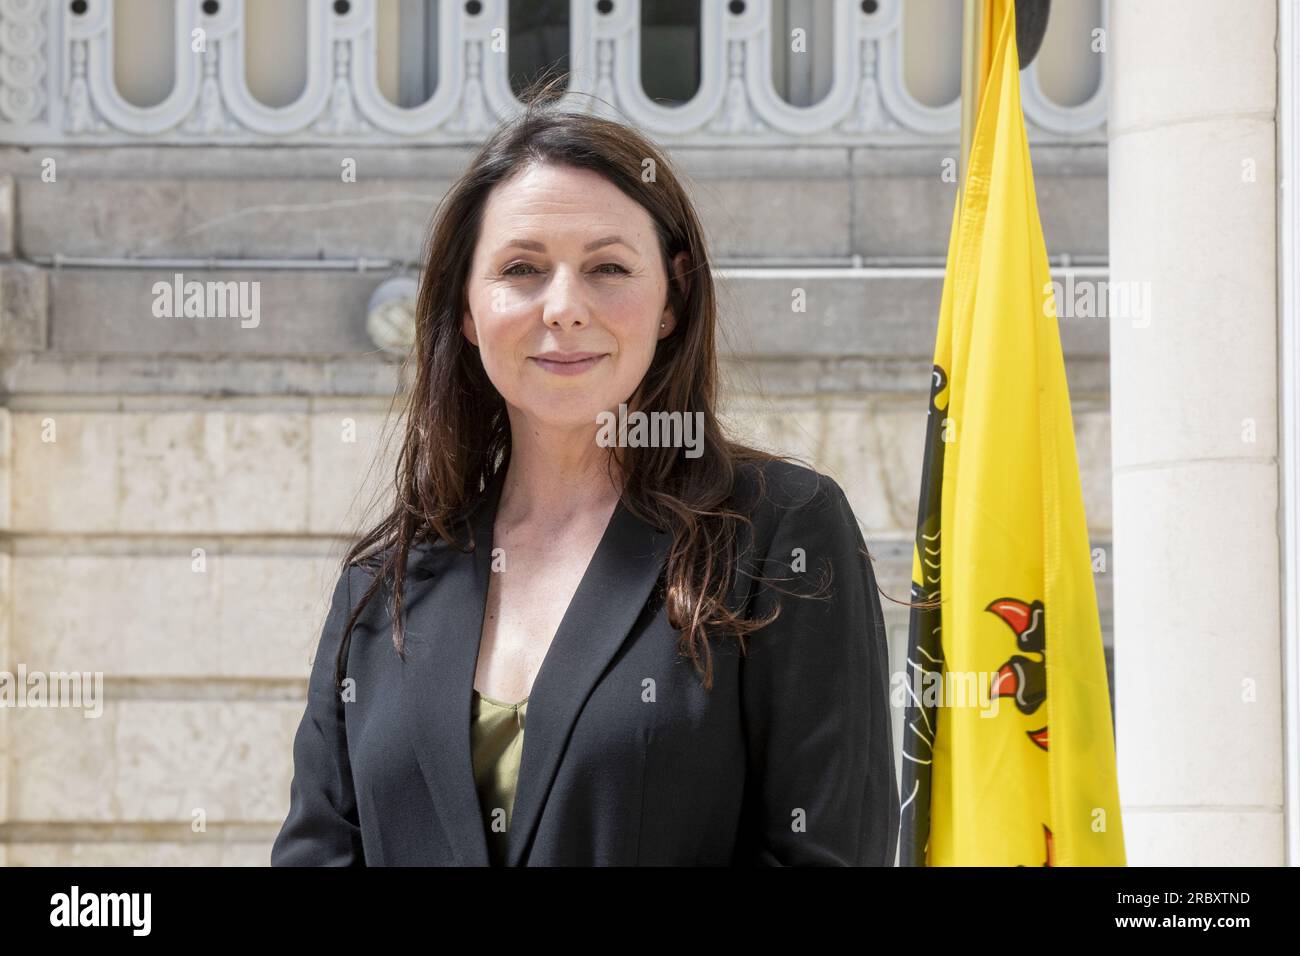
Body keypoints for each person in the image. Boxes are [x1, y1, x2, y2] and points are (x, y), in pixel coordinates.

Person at [271, 90, 899, 867]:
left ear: (672, 300)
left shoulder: (780, 531)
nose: (564, 308)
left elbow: (826, 855)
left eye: (607, 266)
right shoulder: (385, 579)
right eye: (522, 268)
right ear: (466, 310)